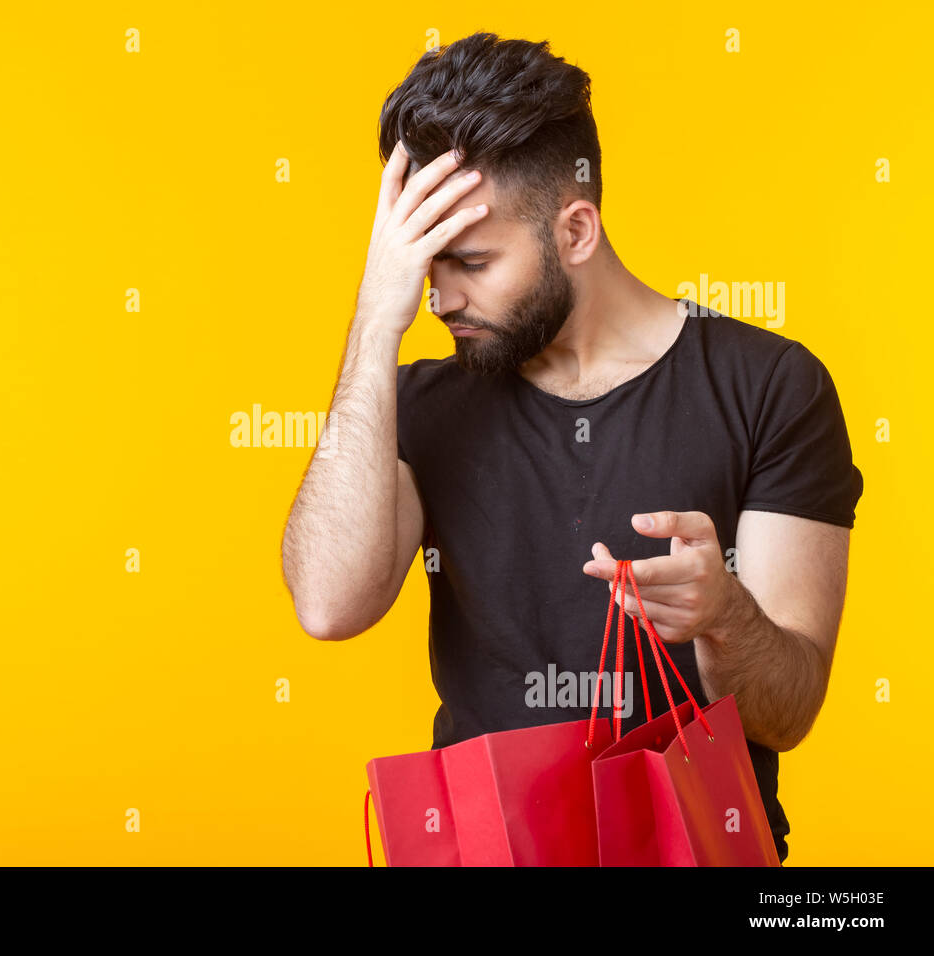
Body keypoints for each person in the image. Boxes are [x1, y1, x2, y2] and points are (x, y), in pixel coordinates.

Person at [279, 33, 863, 865]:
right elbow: (329, 607)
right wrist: (376, 320)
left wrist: (725, 617)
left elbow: (789, 713)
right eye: (419, 268)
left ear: (577, 230)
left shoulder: (770, 387)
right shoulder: (416, 403)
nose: (439, 298)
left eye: (471, 263)